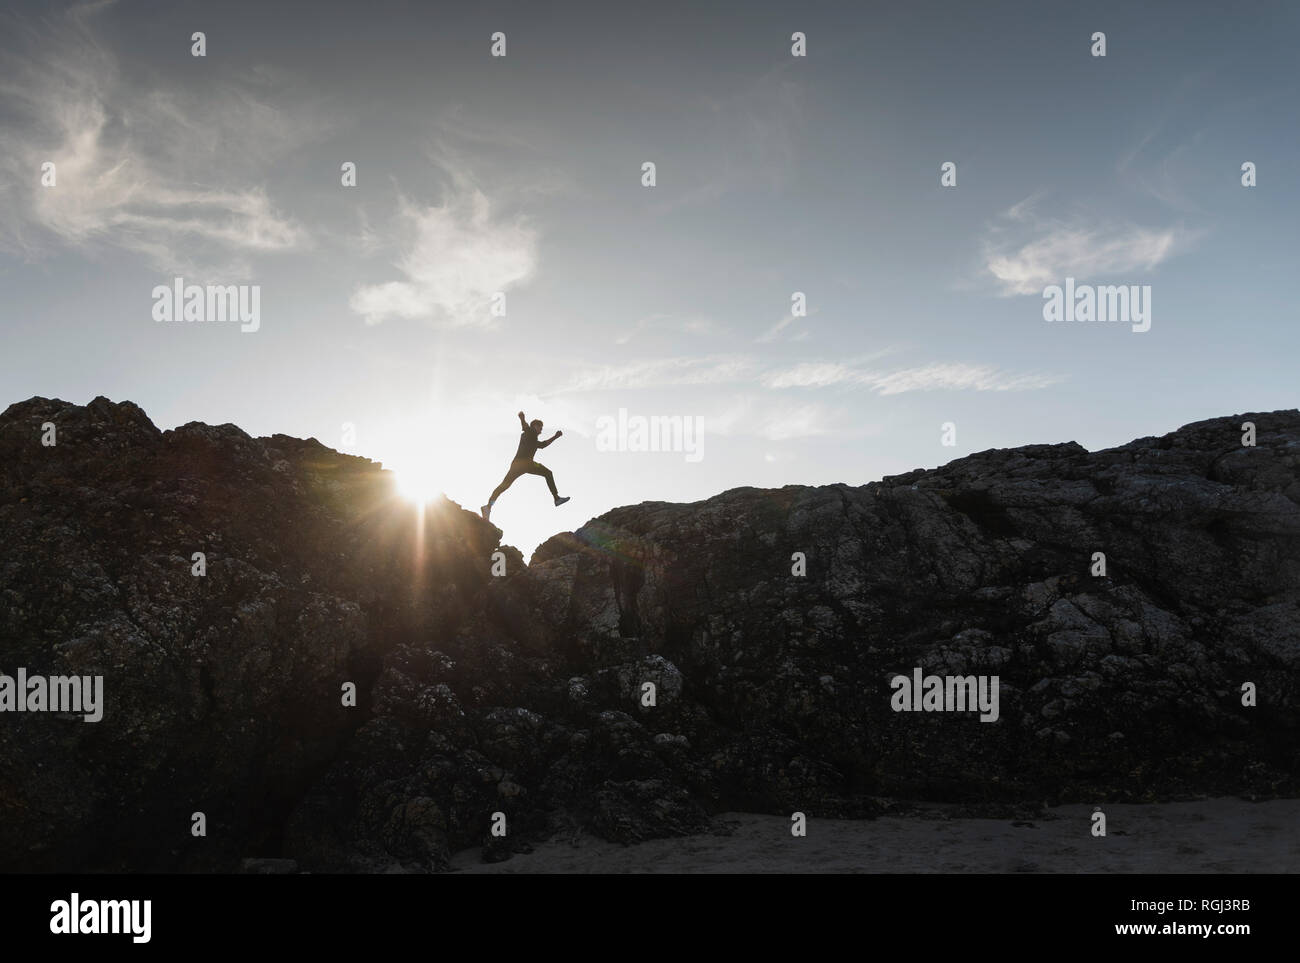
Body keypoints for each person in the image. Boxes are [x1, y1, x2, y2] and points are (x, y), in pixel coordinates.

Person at [482, 411, 569, 521]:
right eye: (540, 428)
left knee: (504, 485)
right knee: (548, 473)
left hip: (519, 465)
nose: (541, 431)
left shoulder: (532, 438)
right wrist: (522, 418)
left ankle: (488, 507)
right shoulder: (530, 432)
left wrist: (555, 437)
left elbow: (542, 445)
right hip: (526, 464)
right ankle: (556, 499)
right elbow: (526, 427)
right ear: (535, 426)